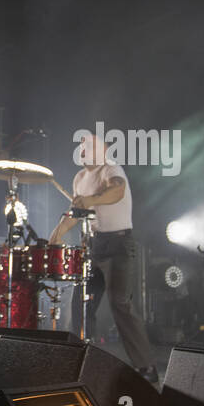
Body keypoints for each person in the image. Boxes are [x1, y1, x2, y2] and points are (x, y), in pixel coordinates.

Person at [49, 133, 159, 386]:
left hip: (119, 244)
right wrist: (56, 235)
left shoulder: (111, 169)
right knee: (81, 304)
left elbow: (116, 191)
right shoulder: (79, 178)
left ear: (104, 150)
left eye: (90, 145)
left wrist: (91, 200)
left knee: (121, 303)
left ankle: (146, 366)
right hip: (94, 245)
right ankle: (80, 362)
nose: (84, 148)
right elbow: (75, 213)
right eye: (82, 145)